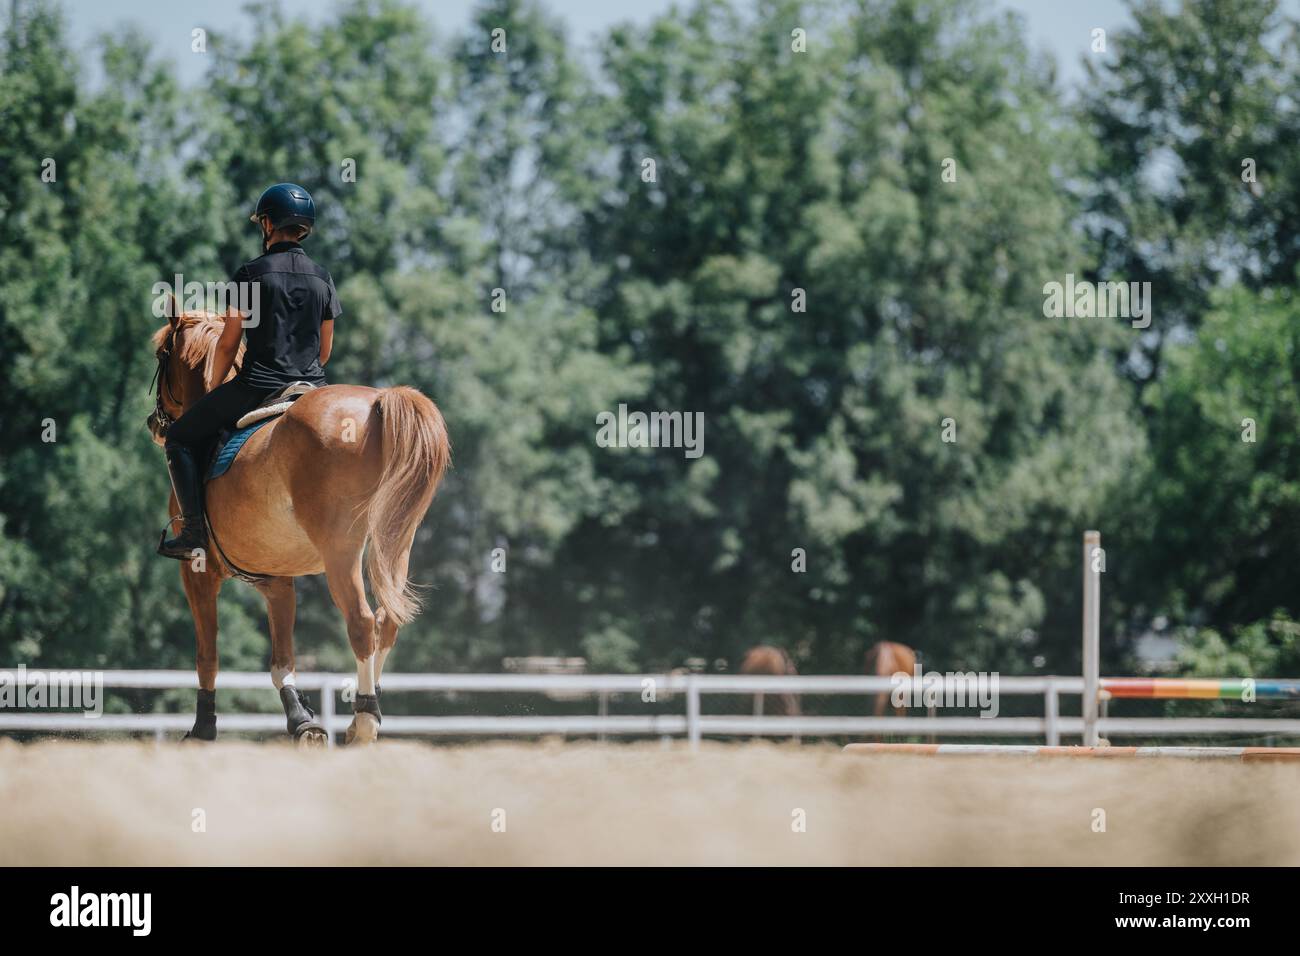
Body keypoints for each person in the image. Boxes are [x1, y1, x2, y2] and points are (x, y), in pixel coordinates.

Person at [157, 183, 342, 560]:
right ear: (303, 228)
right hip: (312, 388)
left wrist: (212, 386)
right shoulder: (323, 277)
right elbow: (325, 350)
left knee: (178, 437)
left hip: (258, 386)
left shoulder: (251, 274)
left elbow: (227, 344)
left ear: (269, 224)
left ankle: (194, 532)